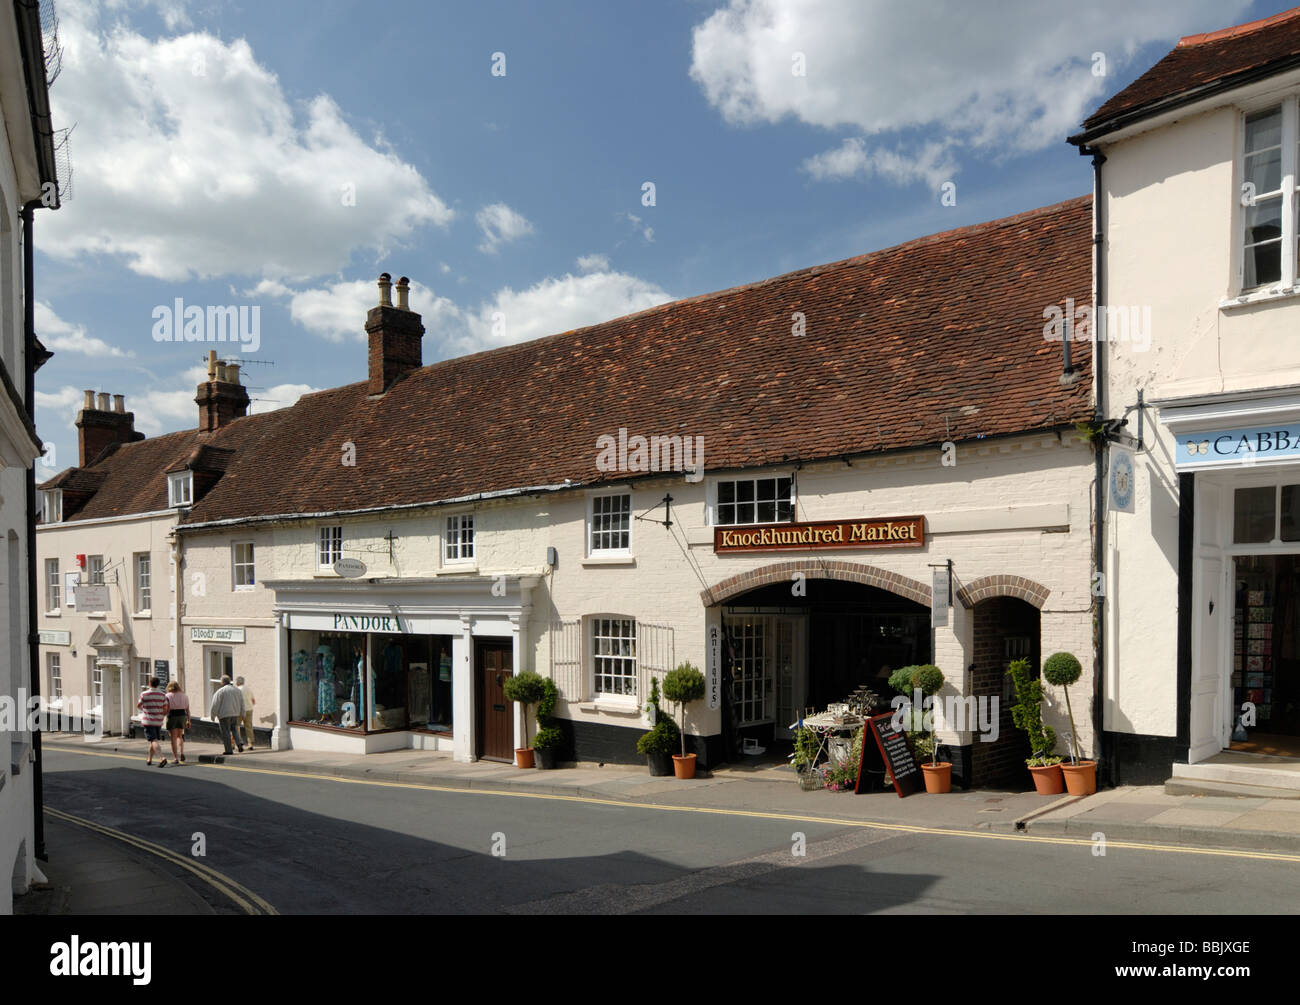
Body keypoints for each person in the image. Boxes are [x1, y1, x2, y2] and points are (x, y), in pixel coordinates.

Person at [136, 676, 170, 767]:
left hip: (148, 721)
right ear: (158, 684)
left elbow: (138, 705)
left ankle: (162, 758)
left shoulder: (144, 694)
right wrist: (161, 715)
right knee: (153, 740)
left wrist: (145, 709)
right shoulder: (163, 695)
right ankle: (149, 759)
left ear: (149, 683)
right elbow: (165, 708)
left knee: (153, 740)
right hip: (158, 721)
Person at [209, 675, 245, 754]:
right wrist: (243, 713)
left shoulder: (220, 691)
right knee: (235, 730)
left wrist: (212, 715)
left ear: (223, 682)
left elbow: (215, 704)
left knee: (226, 732)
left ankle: (229, 750)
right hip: (235, 714)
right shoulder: (237, 690)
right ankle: (239, 744)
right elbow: (242, 702)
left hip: (224, 715)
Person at [165, 680, 191, 764]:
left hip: (172, 715)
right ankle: (182, 753)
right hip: (182, 716)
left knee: (173, 737)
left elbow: (167, 709)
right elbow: (188, 710)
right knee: (180, 736)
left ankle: (175, 758)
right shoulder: (184, 696)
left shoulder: (167, 696)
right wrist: (189, 720)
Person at [236, 675, 256, 749]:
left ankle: (236, 743)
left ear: (237, 682)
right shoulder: (248, 689)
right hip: (249, 709)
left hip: (239, 711)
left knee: (236, 727)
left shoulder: (237, 690)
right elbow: (253, 701)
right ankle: (250, 744)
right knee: (249, 727)